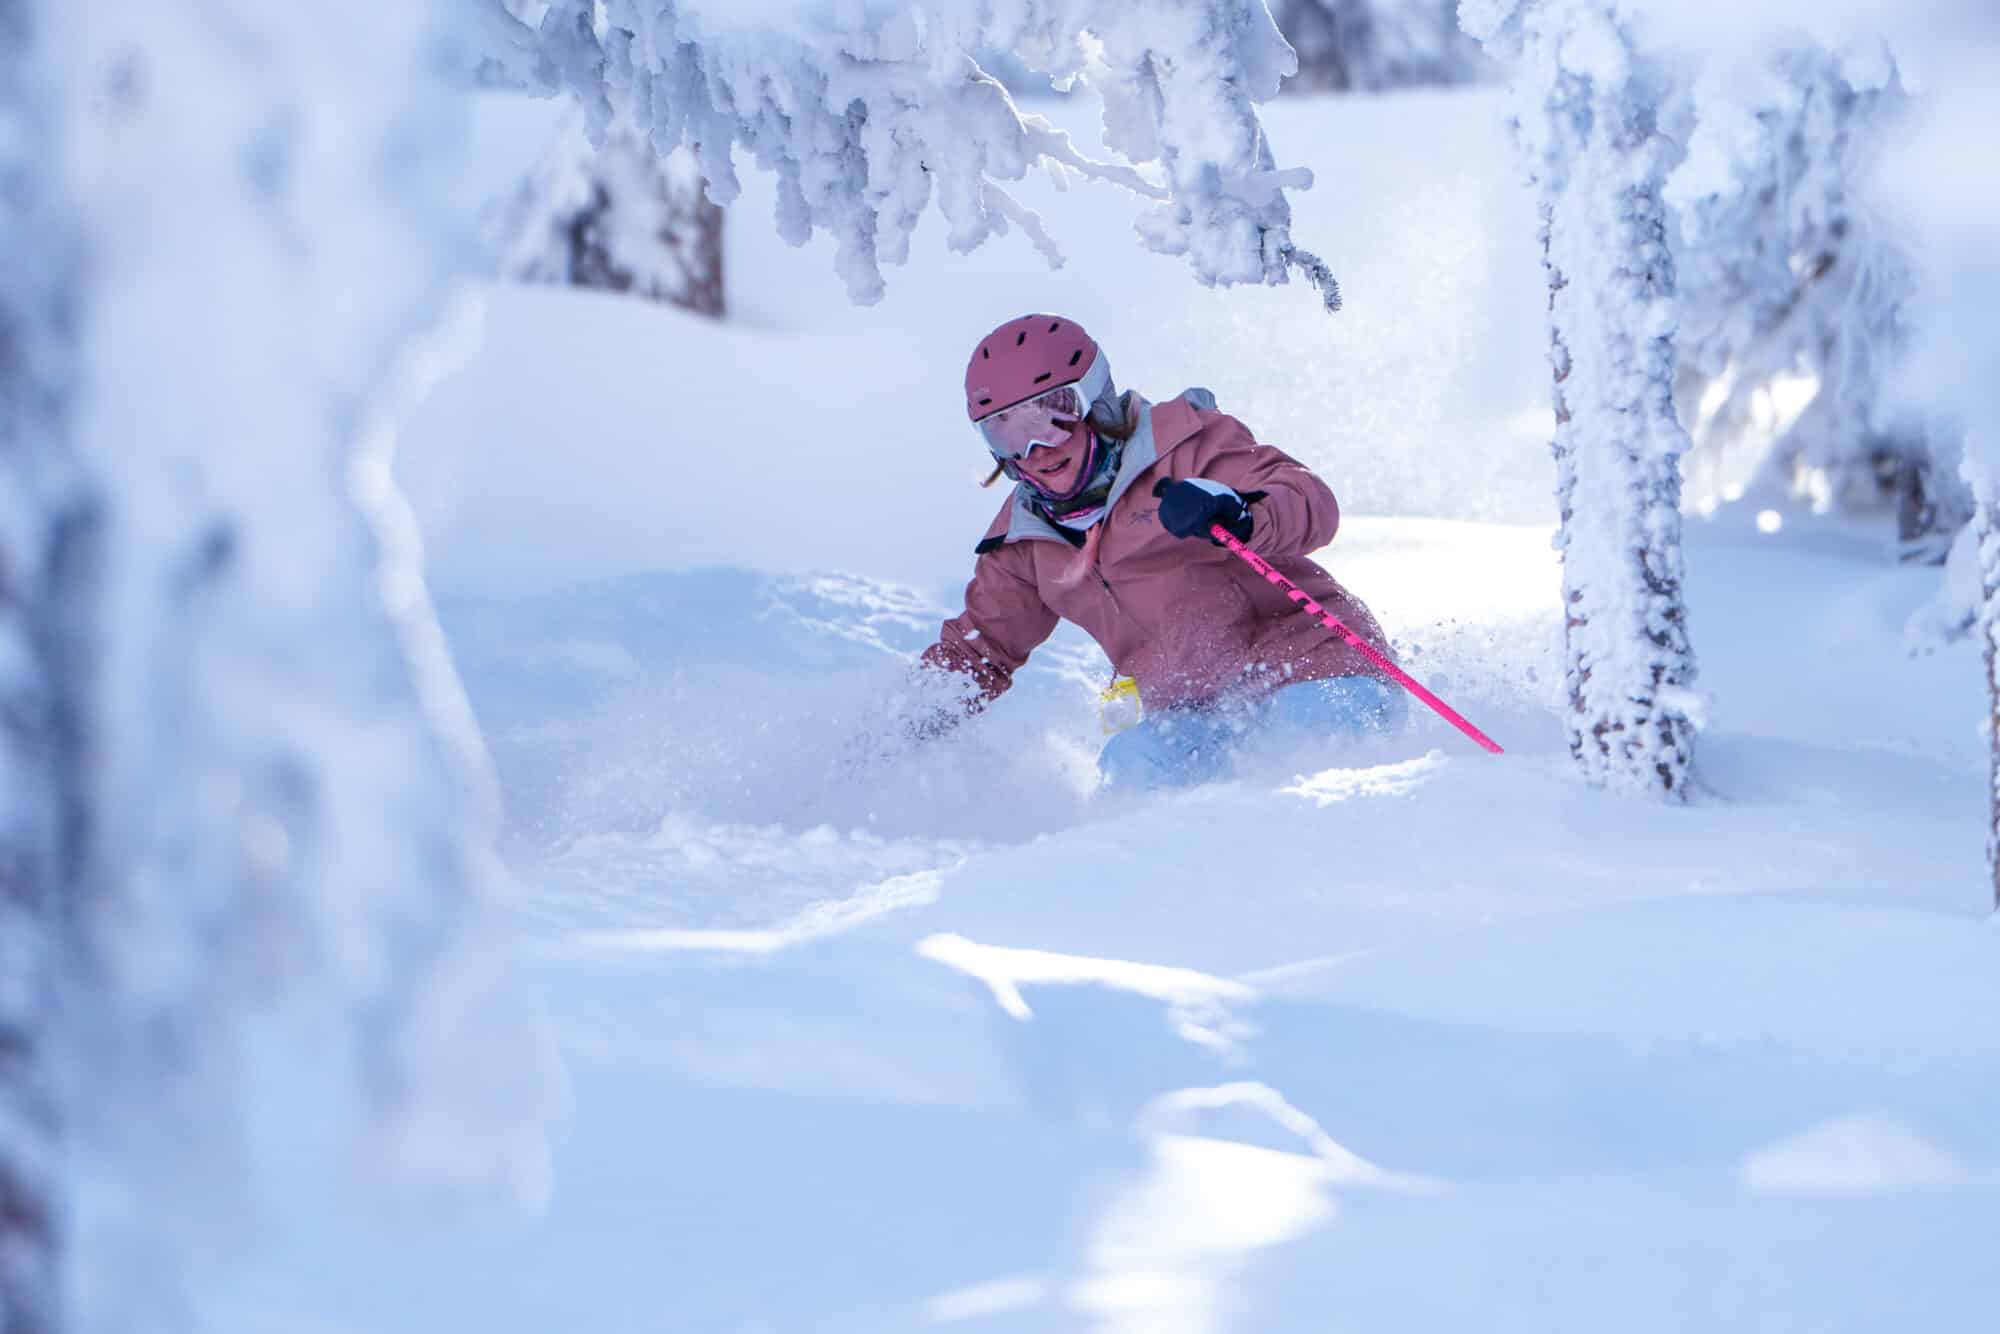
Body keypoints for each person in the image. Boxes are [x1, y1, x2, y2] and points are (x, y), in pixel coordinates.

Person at [917, 314, 1406, 789]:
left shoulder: (1186, 444)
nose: (1035, 449)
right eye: (1006, 432)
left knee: (1301, 744)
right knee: (1134, 771)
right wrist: (906, 727)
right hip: (1197, 717)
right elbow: (979, 652)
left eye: (1052, 417)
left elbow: (1309, 500)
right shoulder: (1025, 540)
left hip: (1316, 669)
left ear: (1095, 401)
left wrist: (1243, 513)